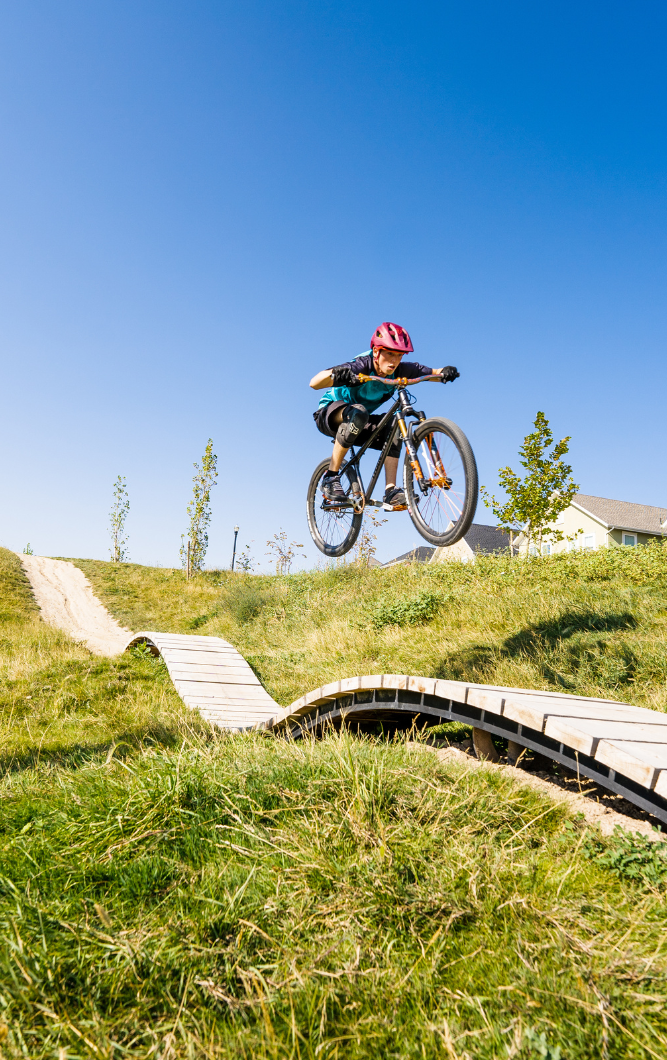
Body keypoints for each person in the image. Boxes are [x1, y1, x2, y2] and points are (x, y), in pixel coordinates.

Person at [310, 321, 459, 509]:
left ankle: (391, 491)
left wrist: (446, 373)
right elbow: (314, 383)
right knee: (359, 413)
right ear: (376, 352)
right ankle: (331, 476)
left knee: (395, 425)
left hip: (360, 421)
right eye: (389, 354)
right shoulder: (361, 366)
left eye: (399, 355)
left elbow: (433, 373)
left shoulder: (401, 370)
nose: (394, 361)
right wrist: (337, 374)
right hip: (330, 414)